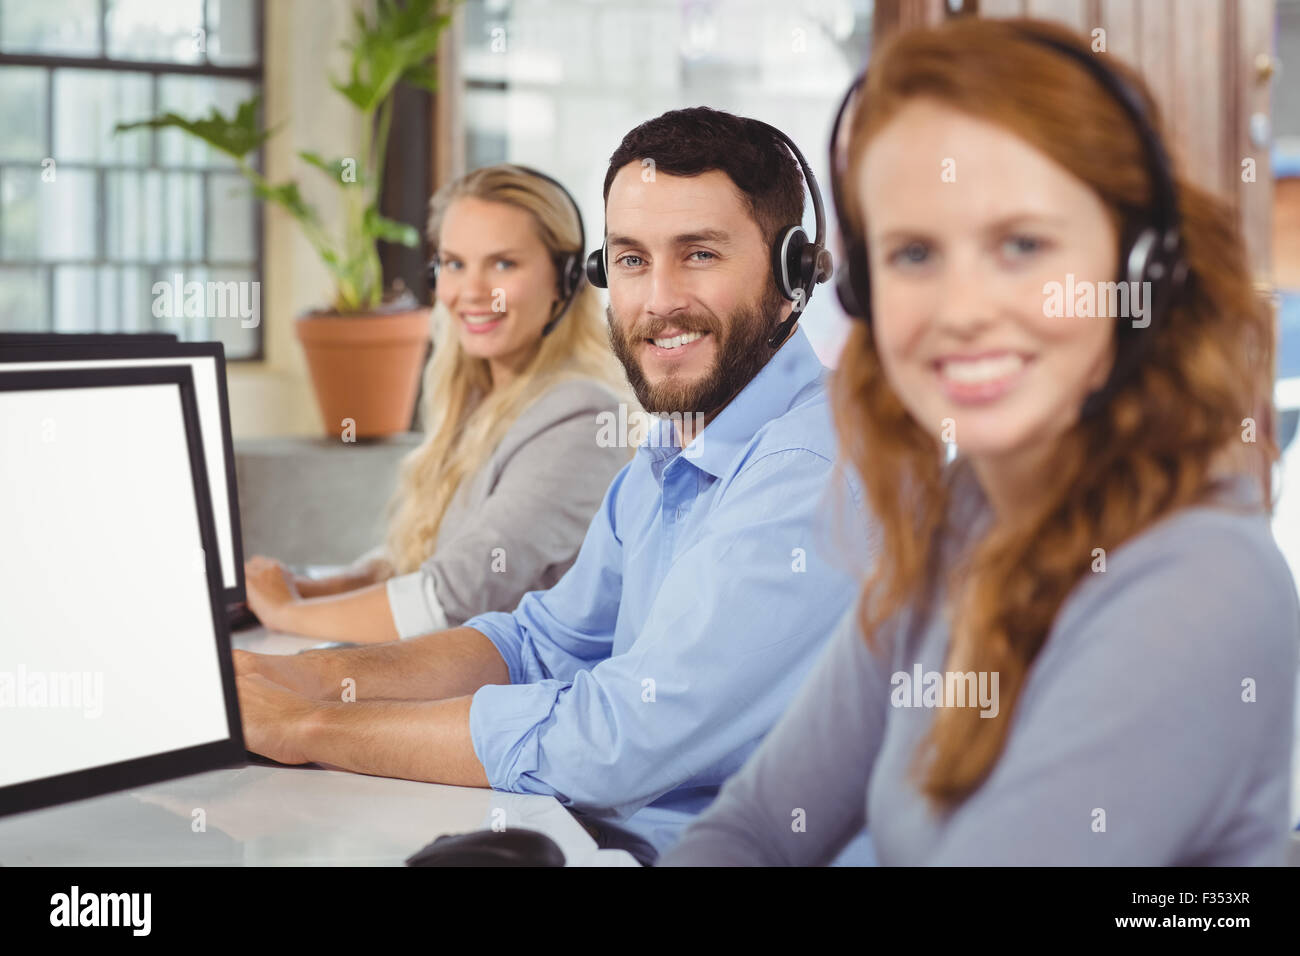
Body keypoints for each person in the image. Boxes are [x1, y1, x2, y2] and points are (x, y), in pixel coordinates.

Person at [662, 17, 1299, 866]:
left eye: (1022, 244)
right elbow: (761, 826)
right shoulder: (966, 513)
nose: (961, 310)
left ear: (1142, 269)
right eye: (915, 253)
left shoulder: (1198, 580)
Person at [233, 107, 871, 862]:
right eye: (632, 260)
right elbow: (539, 644)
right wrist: (309, 678)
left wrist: (309, 729)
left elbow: (619, 738)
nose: (659, 300)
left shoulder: (812, 468)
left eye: (698, 254)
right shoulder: (673, 450)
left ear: (796, 271)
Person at [242, 164, 633, 643]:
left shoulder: (583, 418)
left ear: (565, 280)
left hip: (508, 704)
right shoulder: (479, 395)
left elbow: (448, 599)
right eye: (453, 263)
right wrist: (315, 588)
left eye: (503, 263)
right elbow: (425, 555)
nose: (469, 292)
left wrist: (287, 613)